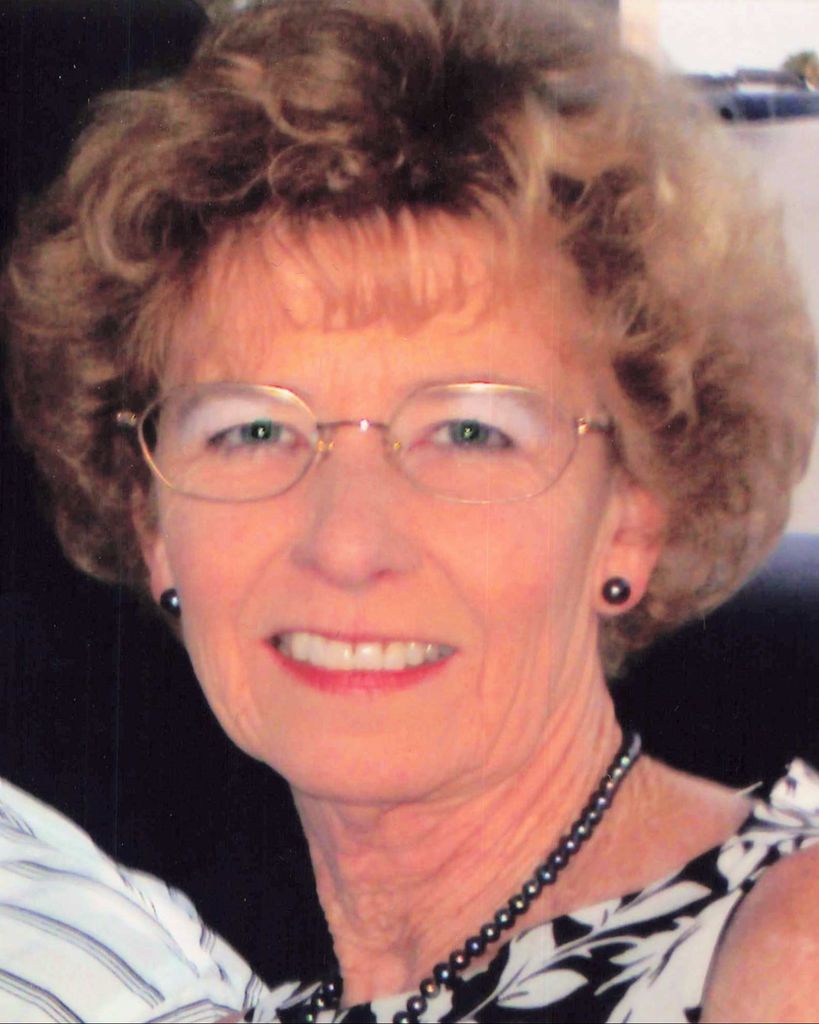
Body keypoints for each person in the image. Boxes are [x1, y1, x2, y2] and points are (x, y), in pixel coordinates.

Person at [2, 0, 819, 1020]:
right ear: (151, 521)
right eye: (252, 430)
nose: (347, 541)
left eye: (469, 432)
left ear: (633, 517)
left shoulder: (786, 950)